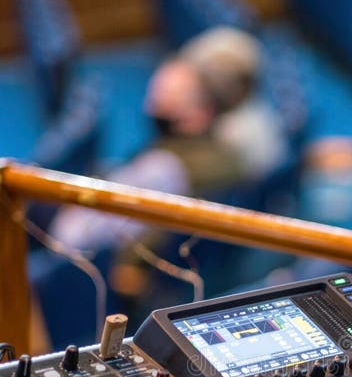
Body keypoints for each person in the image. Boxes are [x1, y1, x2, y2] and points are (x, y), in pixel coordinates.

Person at [50, 26, 288, 250]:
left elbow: (70, 236)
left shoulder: (165, 168)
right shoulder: (227, 149)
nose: (148, 108)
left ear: (199, 115)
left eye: (160, 102)